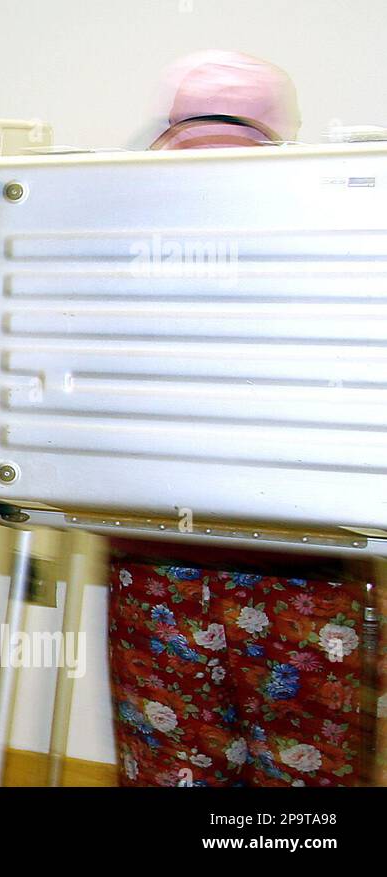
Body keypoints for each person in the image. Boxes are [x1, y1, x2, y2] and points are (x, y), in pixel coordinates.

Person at [107, 50, 374, 788]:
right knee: (180, 770)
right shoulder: (119, 255)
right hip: (164, 566)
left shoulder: (339, 252)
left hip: (298, 572)